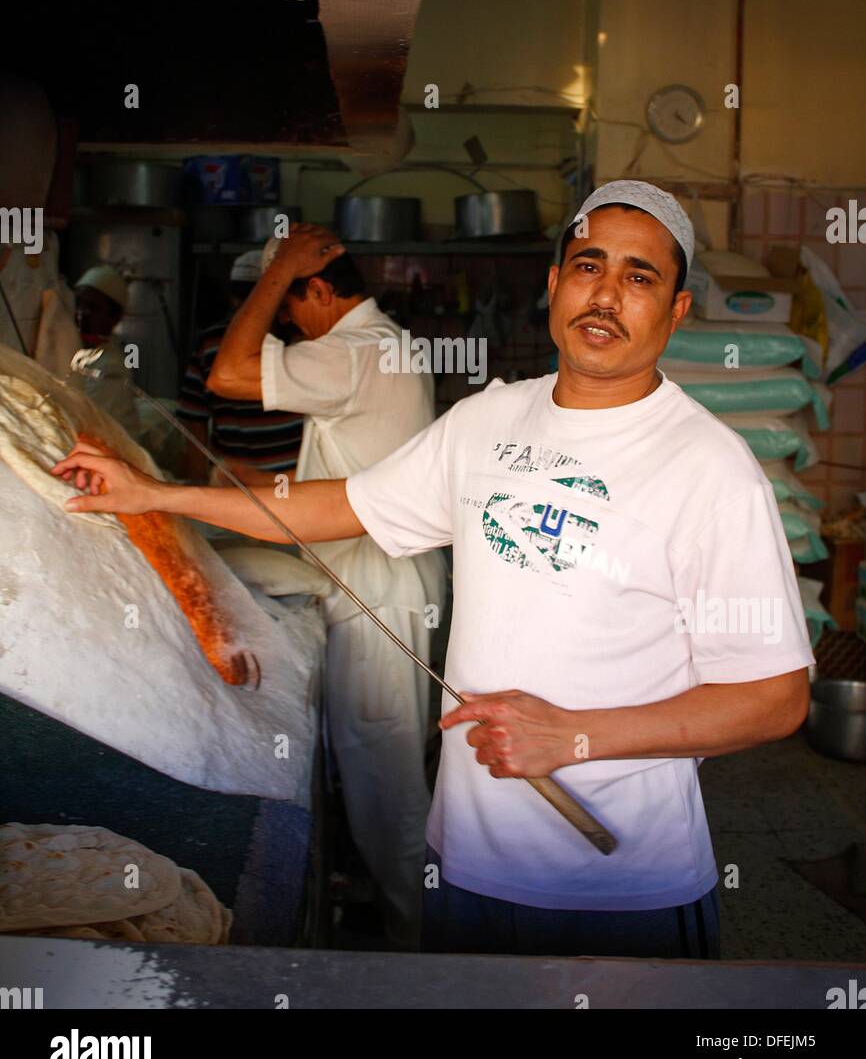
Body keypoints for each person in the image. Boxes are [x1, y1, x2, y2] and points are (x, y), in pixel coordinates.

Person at [54, 182, 813, 960]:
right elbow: (335, 506)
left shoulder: (710, 469)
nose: (608, 295)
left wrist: (576, 737)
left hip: (617, 890)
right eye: (589, 266)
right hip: (467, 869)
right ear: (555, 286)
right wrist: (151, 492)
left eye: (640, 277)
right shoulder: (487, 420)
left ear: (677, 311)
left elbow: (776, 698)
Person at [208, 225, 446, 949]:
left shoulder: (352, 352)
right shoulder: (375, 349)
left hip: (380, 595)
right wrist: (241, 482)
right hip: (380, 585)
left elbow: (228, 373)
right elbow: (333, 480)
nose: (288, 328)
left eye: (291, 307)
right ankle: (406, 921)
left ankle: (424, 960)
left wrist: (275, 268)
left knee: (389, 795)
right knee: (384, 784)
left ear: (317, 288)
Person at [177, 251, 304, 488]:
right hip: (235, 481)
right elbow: (194, 421)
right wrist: (198, 483)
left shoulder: (300, 344)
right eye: (242, 296)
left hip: (292, 482)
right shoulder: (211, 345)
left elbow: (195, 421)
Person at [71, 266, 140, 437]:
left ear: (114, 318)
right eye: (78, 303)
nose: (81, 313)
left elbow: (82, 423)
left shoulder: (111, 367)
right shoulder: (70, 349)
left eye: (92, 307)